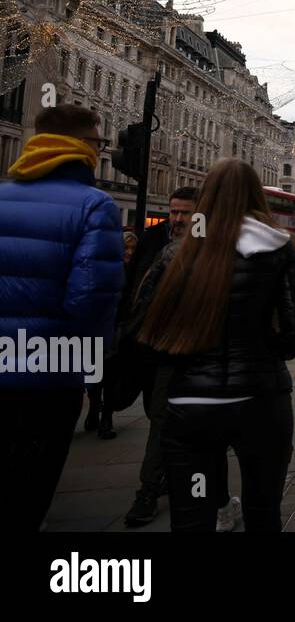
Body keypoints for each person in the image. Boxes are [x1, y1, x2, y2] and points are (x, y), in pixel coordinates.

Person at [134, 159, 295, 532]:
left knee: (193, 514)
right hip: (260, 400)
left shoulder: (177, 252)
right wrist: (270, 351)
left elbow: (142, 325)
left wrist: (179, 358)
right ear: (255, 194)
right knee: (263, 509)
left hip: (191, 407)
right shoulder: (279, 248)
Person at [0, 104, 124, 531]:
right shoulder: (95, 205)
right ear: (84, 145)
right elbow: (90, 300)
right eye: (98, 141)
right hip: (50, 371)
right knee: (31, 481)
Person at [119, 186, 198, 528]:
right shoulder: (154, 240)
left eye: (185, 212)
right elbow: (136, 290)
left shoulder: (210, 248)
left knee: (182, 423)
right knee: (159, 418)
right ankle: (151, 487)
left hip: (197, 350)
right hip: (159, 347)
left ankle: (171, 486)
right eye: (174, 211)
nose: (178, 218)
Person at [84, 230, 139, 440]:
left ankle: (106, 416)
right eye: (126, 248)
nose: (130, 252)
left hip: (121, 330)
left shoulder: (136, 273)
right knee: (97, 374)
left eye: (133, 248)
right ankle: (94, 408)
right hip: (103, 326)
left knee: (112, 375)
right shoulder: (107, 270)